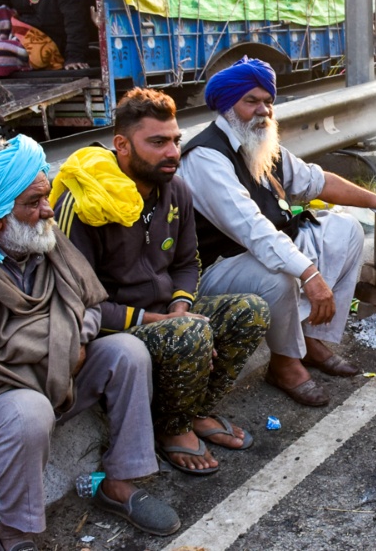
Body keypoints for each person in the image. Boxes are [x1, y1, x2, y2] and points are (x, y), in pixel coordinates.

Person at [0, 135, 179, 551]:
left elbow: (89, 308)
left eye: (46, 197)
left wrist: (68, 343)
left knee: (127, 352)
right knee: (27, 410)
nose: (48, 209)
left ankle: (120, 483)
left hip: (54, 380)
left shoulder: (43, 244)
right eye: (34, 202)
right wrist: (60, 351)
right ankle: (16, 535)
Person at [52, 88, 271, 476]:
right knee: (187, 334)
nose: (172, 152)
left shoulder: (176, 190)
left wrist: (179, 307)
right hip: (112, 332)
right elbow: (75, 304)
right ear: (122, 145)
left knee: (249, 311)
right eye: (157, 142)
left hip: (165, 316)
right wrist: (166, 324)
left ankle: (196, 410)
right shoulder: (87, 201)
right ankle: (172, 430)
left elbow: (188, 262)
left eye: (175, 141)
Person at [178, 58, 376, 407]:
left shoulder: (259, 143)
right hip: (217, 270)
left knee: (346, 229)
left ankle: (309, 339)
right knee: (277, 274)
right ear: (227, 106)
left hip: (258, 252)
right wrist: (310, 274)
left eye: (268, 101)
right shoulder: (206, 157)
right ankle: (284, 363)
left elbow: (316, 181)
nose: (263, 111)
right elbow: (253, 230)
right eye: (251, 101)